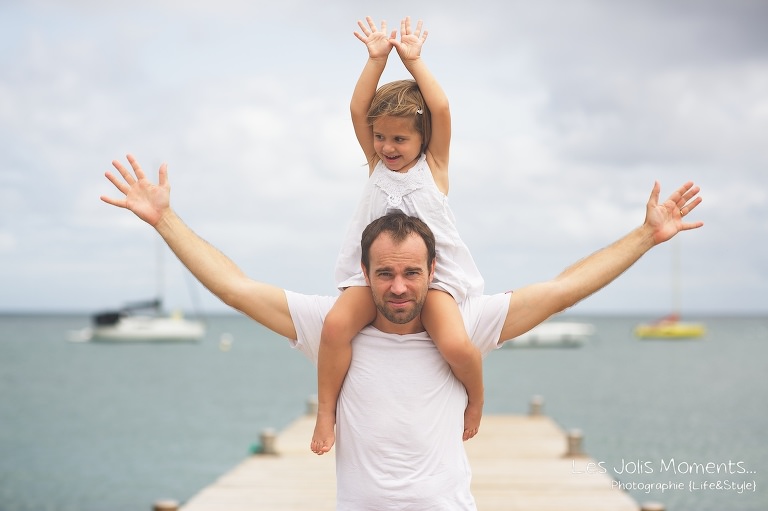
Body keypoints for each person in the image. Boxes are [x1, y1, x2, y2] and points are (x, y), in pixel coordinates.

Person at [101, 154, 702, 510]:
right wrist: (165, 219)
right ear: (362, 273)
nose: (398, 287)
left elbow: (563, 289)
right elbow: (234, 287)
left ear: (432, 271)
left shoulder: (464, 323)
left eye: (411, 273)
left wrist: (645, 236)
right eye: (384, 274)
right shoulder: (330, 329)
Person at [313, 16, 484, 455]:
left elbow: (441, 109)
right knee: (334, 327)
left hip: (433, 278)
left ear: (421, 138)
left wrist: (414, 62)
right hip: (373, 276)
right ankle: (326, 410)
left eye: (400, 139)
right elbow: (357, 109)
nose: (388, 147)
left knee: (455, 344)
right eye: (381, 137)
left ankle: (477, 400)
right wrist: (375, 59)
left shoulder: (434, 168)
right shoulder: (375, 165)